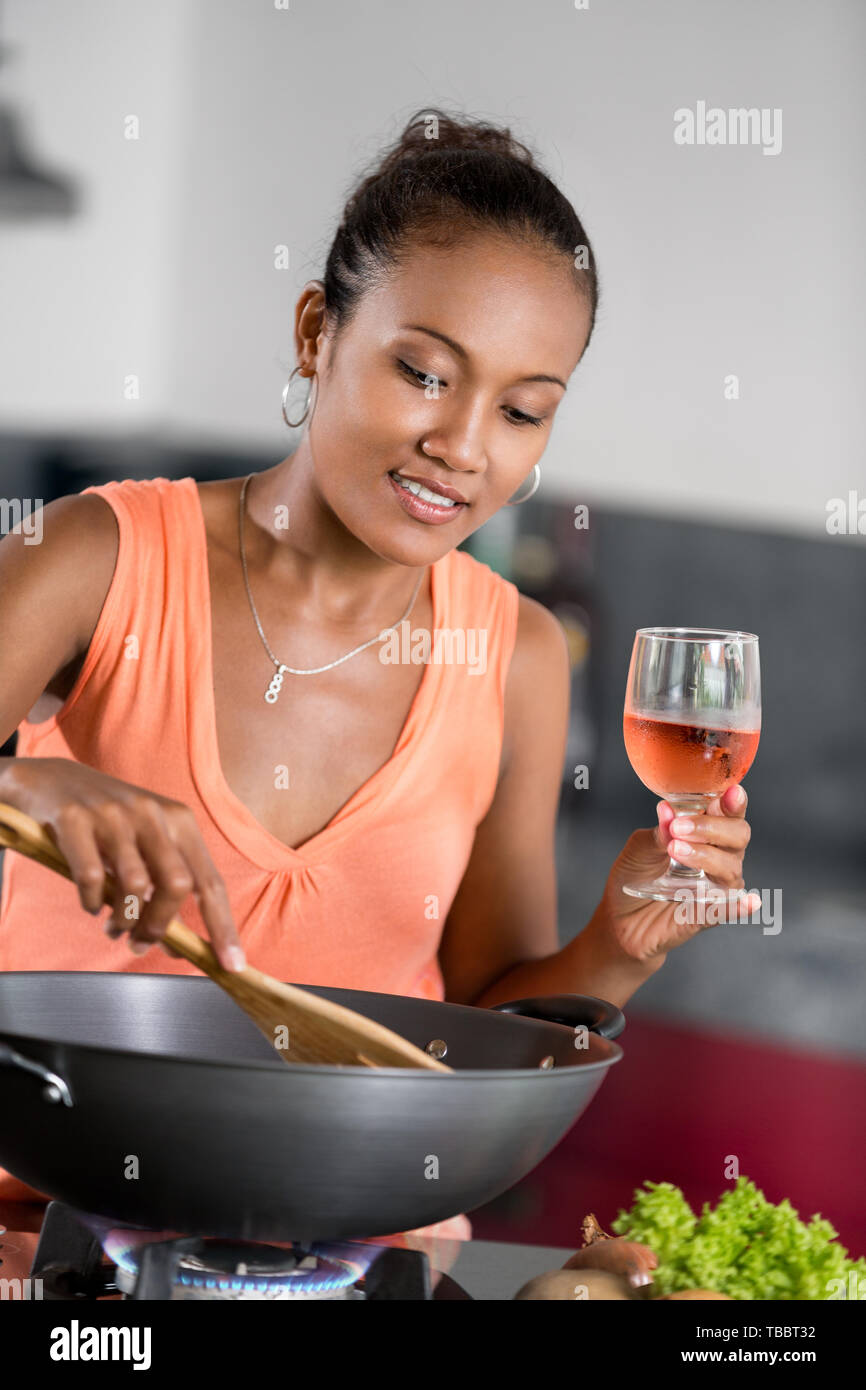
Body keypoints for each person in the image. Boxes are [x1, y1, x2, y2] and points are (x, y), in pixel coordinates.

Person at [0, 110, 755, 1241]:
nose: (462, 443)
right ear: (316, 331)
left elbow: (477, 1030)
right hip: (44, 1222)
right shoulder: (93, 557)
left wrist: (616, 943)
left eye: (519, 410)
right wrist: (26, 788)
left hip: (360, 1246)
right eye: (422, 372)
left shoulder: (517, 656)